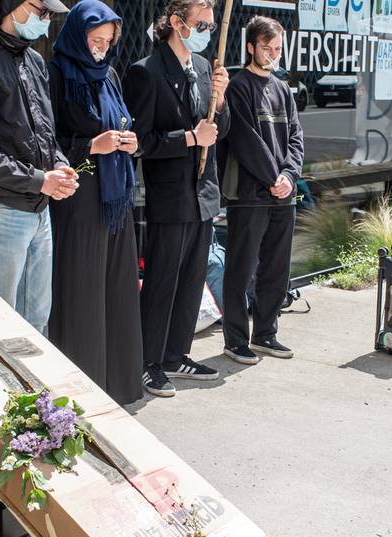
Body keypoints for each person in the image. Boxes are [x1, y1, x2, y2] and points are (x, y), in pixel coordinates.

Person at [123, 0, 229, 397]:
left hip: (203, 194)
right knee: (163, 281)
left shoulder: (203, 68)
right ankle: (147, 361)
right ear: (175, 22)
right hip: (169, 195)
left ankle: (175, 354)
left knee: (191, 282)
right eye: (200, 24)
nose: (206, 32)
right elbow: (140, 142)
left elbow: (218, 131)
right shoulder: (146, 72)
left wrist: (222, 98)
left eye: (210, 26)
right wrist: (188, 138)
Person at [0, 0, 77, 332]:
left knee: (36, 320)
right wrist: (41, 180)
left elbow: (46, 132)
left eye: (50, 14)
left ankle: (33, 374)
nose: (46, 20)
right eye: (41, 11)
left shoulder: (34, 60)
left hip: (38, 208)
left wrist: (60, 166)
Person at [47, 1, 142, 404]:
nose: (102, 47)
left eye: (108, 40)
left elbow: (122, 122)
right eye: (95, 39)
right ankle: (83, 394)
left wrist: (131, 143)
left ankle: (117, 385)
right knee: (83, 292)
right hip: (79, 195)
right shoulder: (56, 73)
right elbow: (47, 141)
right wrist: (90, 146)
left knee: (116, 290)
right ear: (76, 35)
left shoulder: (110, 75)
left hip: (115, 195)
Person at [218, 16, 304, 365]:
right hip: (249, 195)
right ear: (251, 47)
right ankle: (236, 340)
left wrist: (289, 176)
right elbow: (245, 140)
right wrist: (274, 178)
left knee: (276, 270)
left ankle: (266, 334)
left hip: (283, 193)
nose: (272, 54)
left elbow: (296, 136)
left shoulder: (282, 89)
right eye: (266, 48)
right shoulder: (238, 86)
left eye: (278, 49)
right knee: (240, 271)